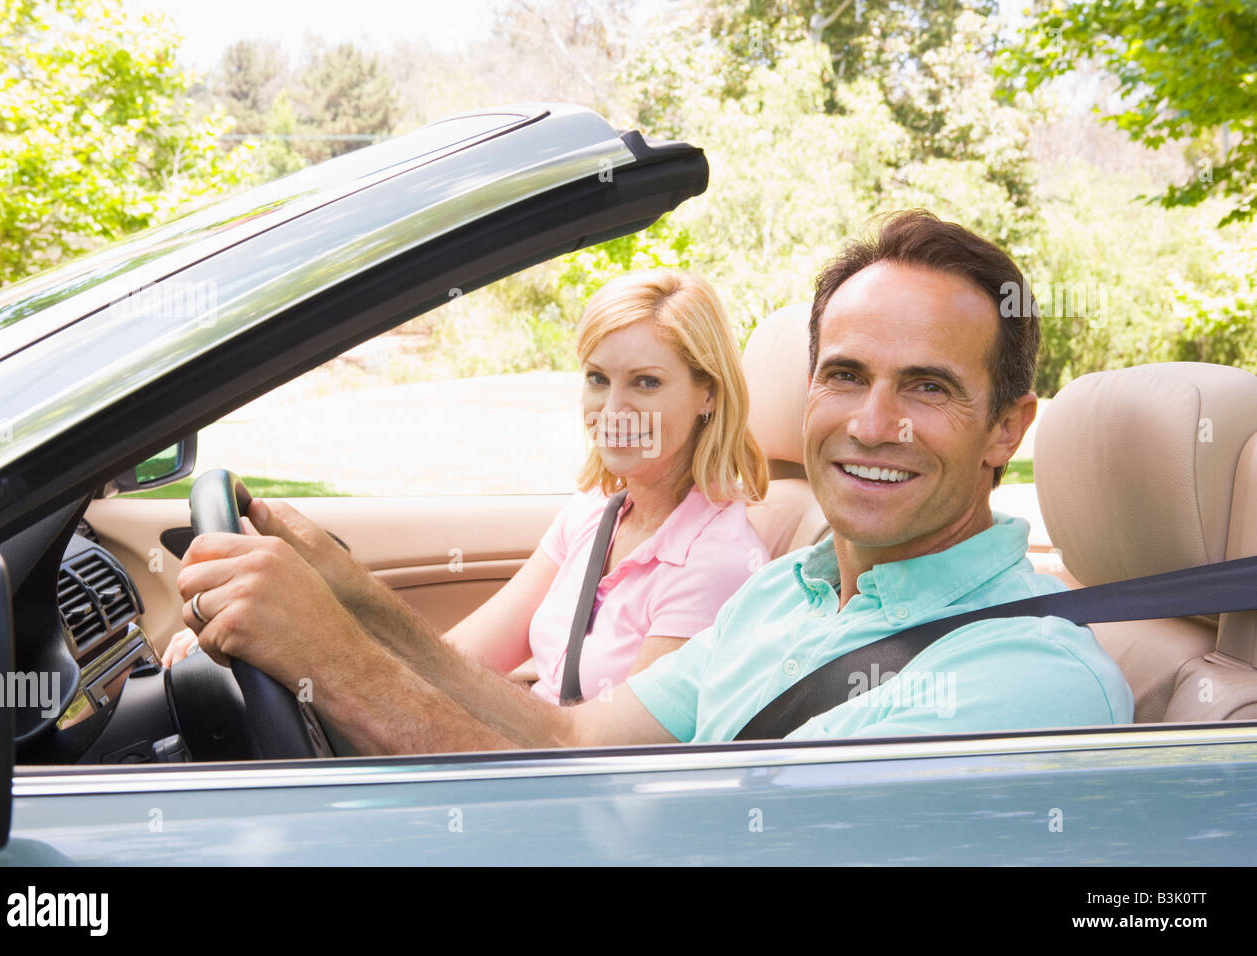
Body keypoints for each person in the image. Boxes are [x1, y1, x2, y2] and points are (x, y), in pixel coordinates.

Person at [176, 209, 1133, 754]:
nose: (871, 424)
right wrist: (348, 600)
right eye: (844, 376)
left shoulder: (1024, 677)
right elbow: (571, 744)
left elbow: (650, 845)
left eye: (927, 388)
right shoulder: (785, 594)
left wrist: (333, 663)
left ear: (1008, 429)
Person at [164, 269, 770, 707]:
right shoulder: (597, 512)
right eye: (597, 378)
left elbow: (613, 758)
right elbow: (456, 659)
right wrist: (277, 628)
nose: (612, 408)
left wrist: (309, 646)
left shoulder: (715, 560)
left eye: (645, 382)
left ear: (708, 394)